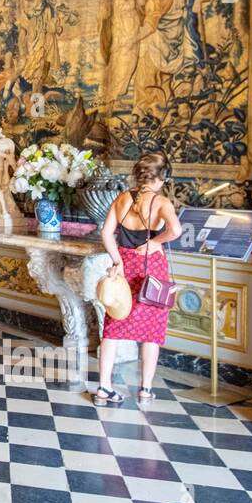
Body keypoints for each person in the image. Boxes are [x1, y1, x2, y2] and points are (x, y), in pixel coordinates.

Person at [95, 152, 182, 405]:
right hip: (150, 268)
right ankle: (145, 389)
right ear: (163, 176)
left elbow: (106, 233)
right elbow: (175, 230)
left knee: (112, 326)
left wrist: (117, 260)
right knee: (151, 332)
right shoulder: (161, 203)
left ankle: (104, 387)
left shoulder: (122, 198)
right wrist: (155, 242)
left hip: (124, 267)